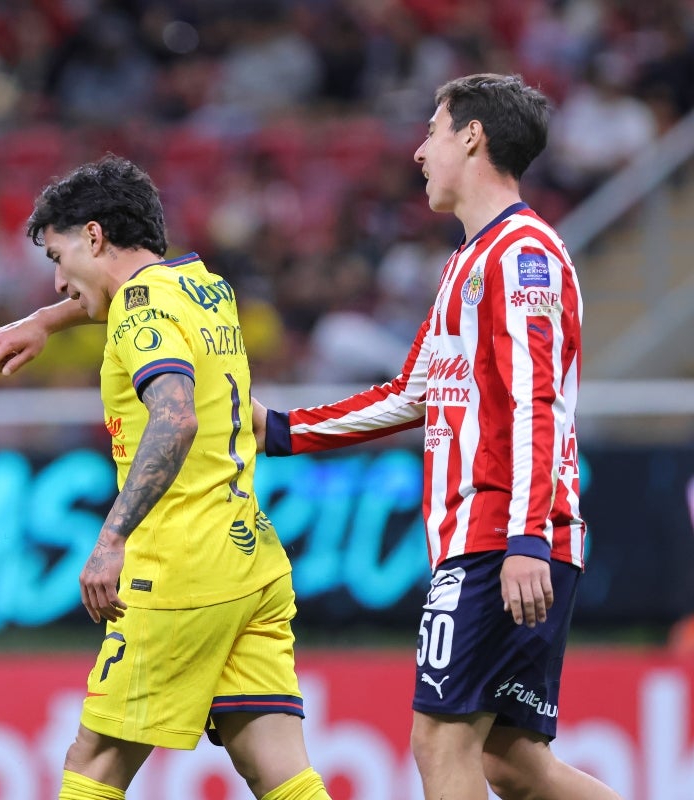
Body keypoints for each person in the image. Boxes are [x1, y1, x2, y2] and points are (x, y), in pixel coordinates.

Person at [250, 75, 620, 799]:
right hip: (488, 536)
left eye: (433, 131)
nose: (419, 152)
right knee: (513, 763)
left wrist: (524, 541)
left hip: (500, 536)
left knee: (439, 741)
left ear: (472, 137)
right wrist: (283, 430)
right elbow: (414, 394)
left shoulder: (521, 256)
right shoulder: (465, 264)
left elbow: (535, 404)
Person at [0, 155, 330, 800]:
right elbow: (127, 300)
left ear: (93, 236)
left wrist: (111, 540)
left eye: (59, 258)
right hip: (251, 561)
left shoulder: (141, 313)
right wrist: (44, 322)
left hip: (178, 567)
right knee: (276, 767)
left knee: (96, 762)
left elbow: (173, 420)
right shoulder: (203, 286)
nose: (58, 282)